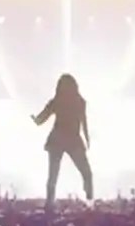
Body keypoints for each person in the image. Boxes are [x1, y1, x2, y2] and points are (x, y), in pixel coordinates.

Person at [31, 74, 93, 206]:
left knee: (53, 175)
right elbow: (84, 121)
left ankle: (50, 202)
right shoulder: (79, 102)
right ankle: (89, 197)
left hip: (58, 139)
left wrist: (35, 119)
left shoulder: (57, 101)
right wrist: (87, 138)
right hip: (71, 139)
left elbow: (41, 119)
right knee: (86, 172)